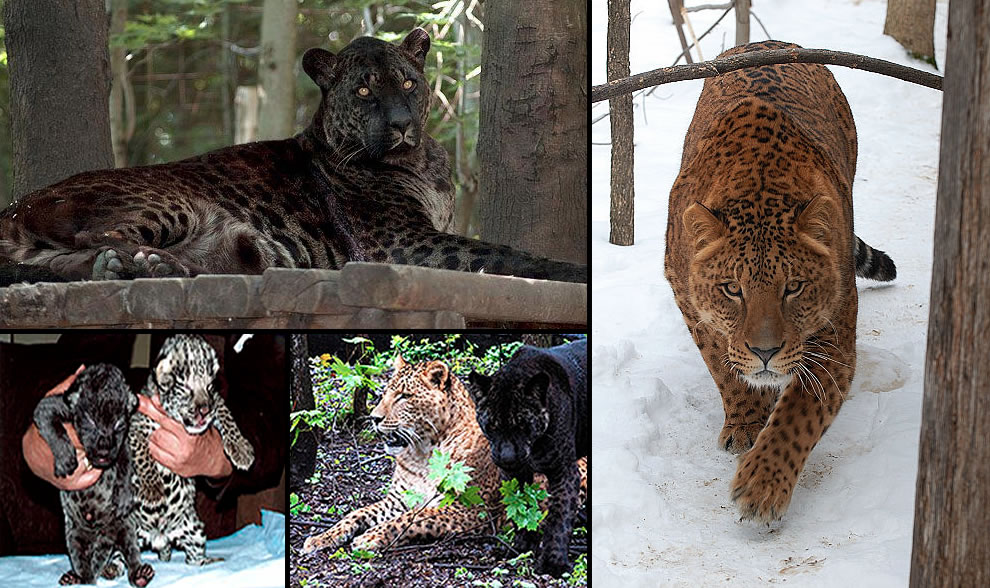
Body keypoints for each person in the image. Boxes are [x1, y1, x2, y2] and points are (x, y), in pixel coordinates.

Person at [2, 333, 286, 556]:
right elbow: (83, 362)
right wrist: (42, 436)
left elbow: (270, 408)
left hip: (210, 533)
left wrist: (215, 454)